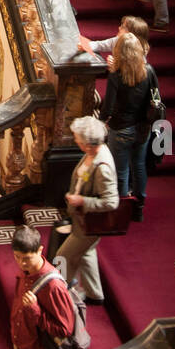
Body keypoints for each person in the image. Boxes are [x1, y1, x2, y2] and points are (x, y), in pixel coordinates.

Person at [56, 116, 119, 304]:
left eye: (78, 139)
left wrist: (82, 200)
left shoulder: (103, 167)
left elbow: (111, 202)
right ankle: (95, 294)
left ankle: (57, 293)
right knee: (86, 253)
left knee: (63, 257)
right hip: (82, 219)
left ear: (88, 144)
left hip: (89, 221)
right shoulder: (92, 153)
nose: (75, 141)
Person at [100, 32, 160, 222]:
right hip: (142, 128)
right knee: (139, 166)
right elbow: (156, 98)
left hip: (121, 128)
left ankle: (121, 209)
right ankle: (138, 209)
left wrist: (101, 121)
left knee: (121, 170)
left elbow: (108, 108)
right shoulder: (149, 70)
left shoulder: (116, 75)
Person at [10, 224, 77, 349]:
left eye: (26, 258)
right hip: (22, 346)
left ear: (40, 250)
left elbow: (64, 329)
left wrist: (36, 310)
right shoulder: (26, 272)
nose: (21, 263)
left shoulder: (53, 286)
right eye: (17, 257)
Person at [76, 14, 150, 60]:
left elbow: (133, 69)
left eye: (123, 27)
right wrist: (86, 46)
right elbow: (100, 45)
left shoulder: (139, 51)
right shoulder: (117, 40)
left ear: (132, 34)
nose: (119, 28)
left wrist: (115, 64)